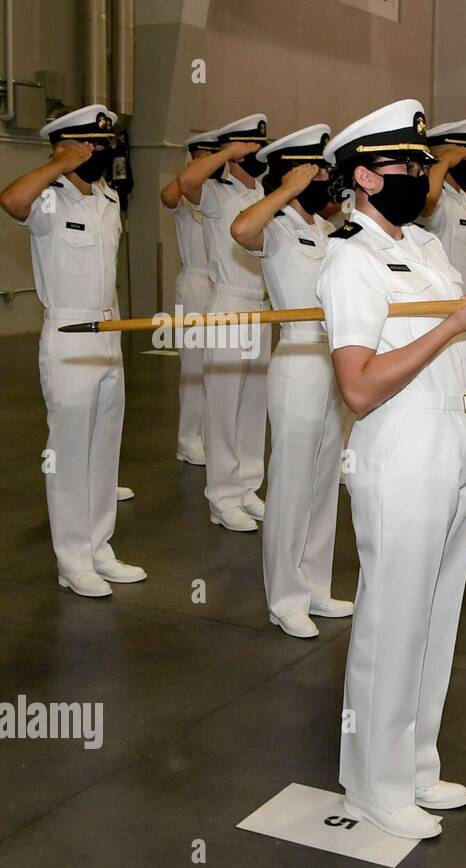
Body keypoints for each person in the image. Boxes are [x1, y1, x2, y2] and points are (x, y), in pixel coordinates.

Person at [319, 99, 466, 840]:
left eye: (423, 164)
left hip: (456, 438)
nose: (419, 176)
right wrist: (451, 325)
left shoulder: (425, 247)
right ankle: (372, 783)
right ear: (364, 176)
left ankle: (415, 764)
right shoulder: (350, 260)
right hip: (401, 449)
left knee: (435, 617)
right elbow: (359, 385)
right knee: (392, 621)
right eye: (403, 165)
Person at [0, 104, 145, 596]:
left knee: (104, 448)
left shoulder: (107, 199)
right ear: (63, 145)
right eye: (86, 144)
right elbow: (11, 200)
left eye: (102, 145)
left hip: (109, 331)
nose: (97, 153)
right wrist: (58, 166)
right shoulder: (49, 201)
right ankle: (71, 560)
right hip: (67, 333)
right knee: (67, 452)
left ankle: (99, 547)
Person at [230, 123, 351, 639]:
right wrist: (284, 189)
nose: (326, 178)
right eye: (317, 169)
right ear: (295, 172)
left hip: (336, 358)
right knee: (292, 481)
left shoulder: (328, 230)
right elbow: (240, 230)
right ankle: (284, 596)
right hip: (298, 358)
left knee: (324, 481)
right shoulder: (275, 227)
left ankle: (315, 583)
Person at [177, 114, 272, 532]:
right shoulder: (215, 192)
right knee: (223, 405)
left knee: (254, 404)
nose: (256, 153)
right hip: (229, 304)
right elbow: (185, 184)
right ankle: (221, 496)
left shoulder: (267, 191)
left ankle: (248, 485)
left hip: (263, 307)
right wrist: (226, 154)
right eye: (248, 147)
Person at [419, 116, 466, 547]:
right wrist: (441, 162)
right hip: (439, 323)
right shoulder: (435, 191)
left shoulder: (462, 198)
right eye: (464, 149)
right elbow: (425, 208)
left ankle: (458, 513)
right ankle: (438, 512)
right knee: (443, 419)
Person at [161, 129, 219, 466]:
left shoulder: (217, 193)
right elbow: (168, 196)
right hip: (196, 282)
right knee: (194, 365)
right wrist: (193, 169)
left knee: (220, 365)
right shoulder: (186, 193)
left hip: (222, 285)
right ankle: (188, 439)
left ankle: (211, 435)